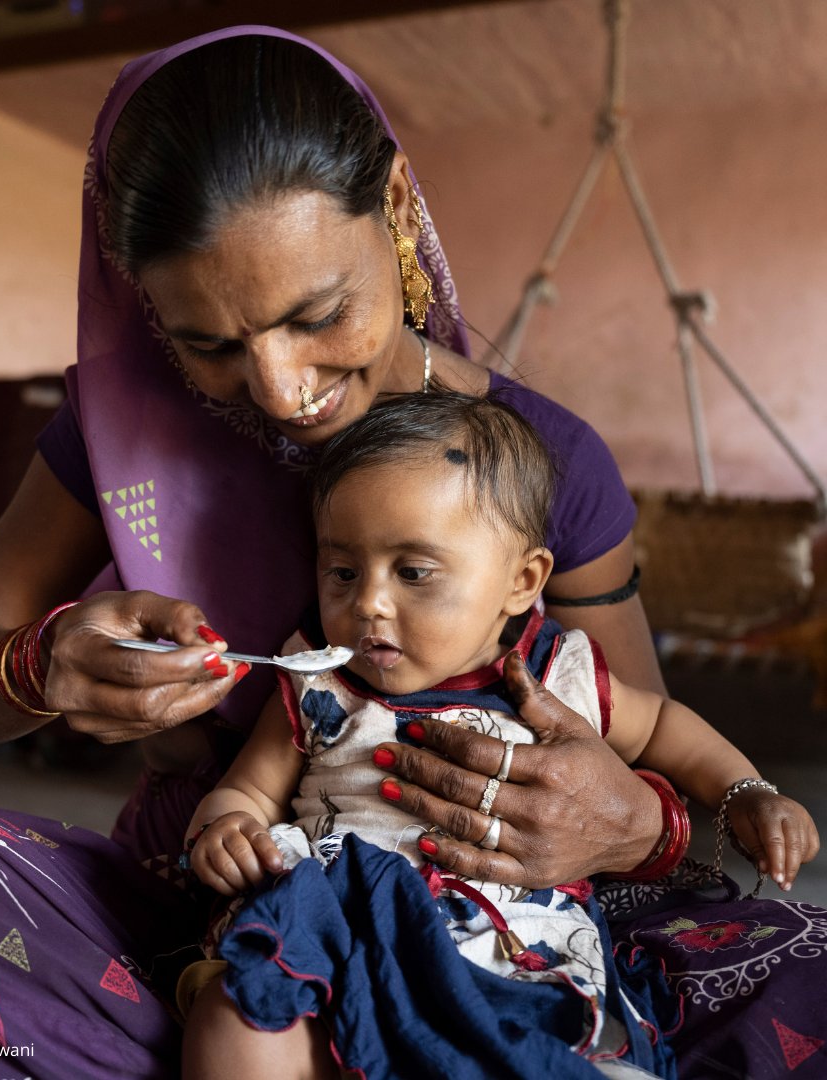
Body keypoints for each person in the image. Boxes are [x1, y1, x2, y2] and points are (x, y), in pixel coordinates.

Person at [0, 25, 824, 1080]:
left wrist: (648, 825)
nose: (277, 389)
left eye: (320, 313)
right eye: (208, 344)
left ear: (395, 208)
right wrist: (46, 663)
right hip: (214, 925)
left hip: (508, 924)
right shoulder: (122, 438)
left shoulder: (548, 465)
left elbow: (648, 749)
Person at [180, 389, 818, 1079]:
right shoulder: (315, 679)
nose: (368, 601)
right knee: (241, 1012)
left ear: (522, 581)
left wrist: (746, 790)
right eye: (343, 571)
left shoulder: (556, 677)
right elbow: (247, 788)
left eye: (414, 572)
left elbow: (664, 725)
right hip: (341, 922)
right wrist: (225, 828)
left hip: (510, 947)